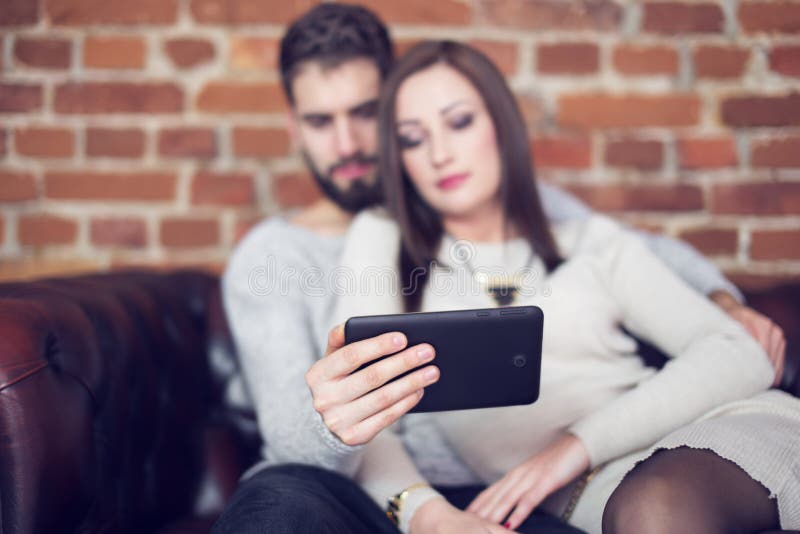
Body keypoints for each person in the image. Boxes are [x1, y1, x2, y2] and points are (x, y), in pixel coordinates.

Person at [215, 4, 786, 532]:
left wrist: (720, 298)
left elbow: (637, 251)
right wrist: (418, 505)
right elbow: (293, 428)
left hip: (565, 471)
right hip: (394, 486)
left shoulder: (520, 211)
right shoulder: (295, 254)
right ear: (294, 127)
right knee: (278, 501)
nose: (348, 143)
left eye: (366, 113)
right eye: (321, 121)